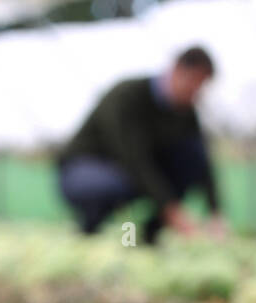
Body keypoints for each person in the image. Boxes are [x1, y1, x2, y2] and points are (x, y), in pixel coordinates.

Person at [57, 46, 224, 245]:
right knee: (116, 185)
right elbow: (134, 160)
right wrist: (173, 212)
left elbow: (201, 160)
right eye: (194, 84)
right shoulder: (127, 96)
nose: (196, 93)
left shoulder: (186, 112)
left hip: (131, 174)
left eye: (201, 88)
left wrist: (216, 212)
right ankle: (91, 232)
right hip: (85, 168)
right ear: (178, 70)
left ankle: (147, 237)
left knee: (188, 159)